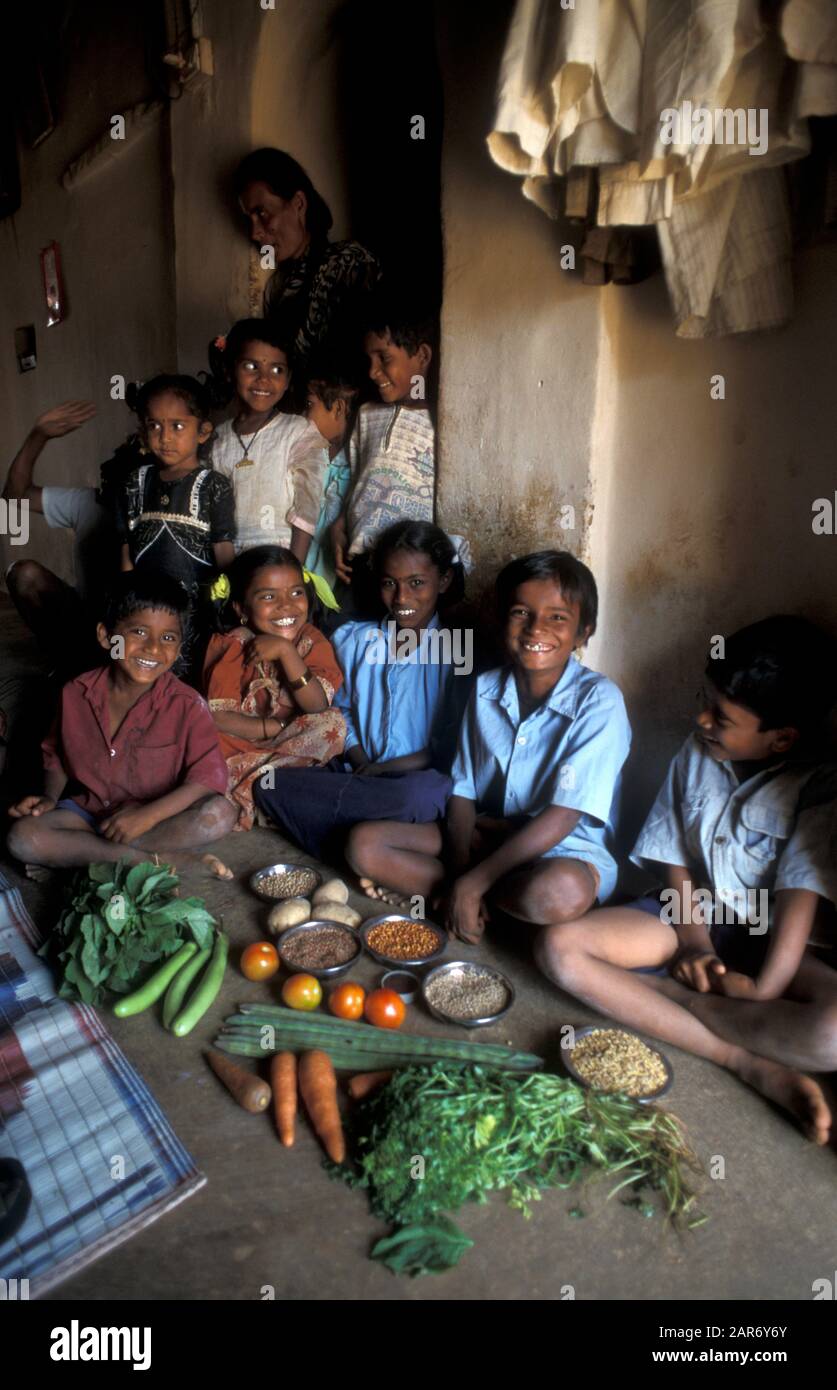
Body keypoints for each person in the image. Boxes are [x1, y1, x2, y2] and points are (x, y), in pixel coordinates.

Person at [538, 615, 837, 1146]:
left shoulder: (819, 784)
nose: (702, 718)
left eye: (721, 716)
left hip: (774, 941)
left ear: (781, 738)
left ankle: (664, 996)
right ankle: (742, 1059)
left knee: (832, 1033)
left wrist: (764, 986)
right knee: (559, 948)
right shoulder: (698, 750)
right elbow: (672, 853)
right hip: (689, 916)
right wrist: (696, 943)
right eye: (706, 699)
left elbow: (800, 892)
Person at [351, 551, 631, 938]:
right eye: (521, 613)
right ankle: (485, 909)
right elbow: (463, 790)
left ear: (584, 631)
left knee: (559, 892)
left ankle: (461, 902)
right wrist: (464, 870)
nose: (536, 629)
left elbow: (565, 815)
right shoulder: (485, 690)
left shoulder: (600, 700)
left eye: (557, 618)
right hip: (492, 837)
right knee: (365, 844)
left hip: (565, 852)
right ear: (503, 620)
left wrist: (472, 884)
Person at [254, 522, 474, 886]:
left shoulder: (457, 651)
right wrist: (360, 760)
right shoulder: (355, 641)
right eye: (390, 583)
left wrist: (380, 771)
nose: (402, 598)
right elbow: (341, 710)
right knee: (269, 786)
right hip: (358, 774)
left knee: (422, 795)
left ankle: (364, 846)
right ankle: (376, 852)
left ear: (445, 581)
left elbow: (449, 744)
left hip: (412, 781)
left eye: (416, 583)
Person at [6, 572, 236, 876]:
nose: (154, 648)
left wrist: (147, 816)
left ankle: (92, 854)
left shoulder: (188, 705)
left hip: (155, 818)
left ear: (179, 648)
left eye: (168, 638)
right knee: (22, 838)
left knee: (220, 814)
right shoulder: (74, 693)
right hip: (87, 813)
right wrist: (49, 798)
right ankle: (154, 863)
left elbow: (207, 779)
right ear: (105, 637)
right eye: (139, 632)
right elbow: (56, 755)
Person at [203, 546, 345, 831]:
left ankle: (259, 791)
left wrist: (285, 653)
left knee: (332, 724)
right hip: (241, 743)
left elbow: (317, 705)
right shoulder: (232, 645)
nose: (286, 605)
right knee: (201, 736)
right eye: (268, 596)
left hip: (291, 746)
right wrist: (274, 727)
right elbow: (218, 716)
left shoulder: (311, 641)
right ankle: (265, 795)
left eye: (296, 593)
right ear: (241, 608)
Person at [3, 400, 131, 678]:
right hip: (86, 620)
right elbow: (14, 496)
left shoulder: (153, 507)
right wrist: (39, 436)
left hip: (133, 628)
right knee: (23, 574)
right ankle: (65, 663)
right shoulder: (89, 502)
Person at [235, 148, 379, 371]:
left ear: (299, 204)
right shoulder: (278, 287)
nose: (255, 233)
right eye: (249, 220)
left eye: (262, 213)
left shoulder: (349, 262)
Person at [330, 302, 436, 593]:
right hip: (360, 558)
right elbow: (358, 480)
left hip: (413, 567)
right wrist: (339, 527)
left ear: (422, 356)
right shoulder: (366, 414)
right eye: (369, 360)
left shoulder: (440, 420)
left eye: (384, 358)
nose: (373, 372)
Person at [117, 373, 234, 619]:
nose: (165, 437)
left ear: (203, 432)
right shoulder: (135, 482)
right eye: (154, 425)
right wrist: (125, 601)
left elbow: (222, 547)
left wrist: (228, 602)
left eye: (177, 426)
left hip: (197, 611)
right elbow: (127, 546)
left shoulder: (213, 485)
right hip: (146, 609)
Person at [209, 321, 327, 562]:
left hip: (282, 556)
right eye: (251, 366)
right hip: (232, 559)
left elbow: (308, 504)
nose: (264, 380)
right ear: (231, 371)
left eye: (277, 370)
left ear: (288, 379)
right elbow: (214, 511)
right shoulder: (218, 439)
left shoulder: (297, 431)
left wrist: (295, 567)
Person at [303, 364, 359, 591]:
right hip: (303, 579)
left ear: (338, 408)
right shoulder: (307, 455)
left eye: (309, 405)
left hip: (338, 584)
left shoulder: (359, 465)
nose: (304, 415)